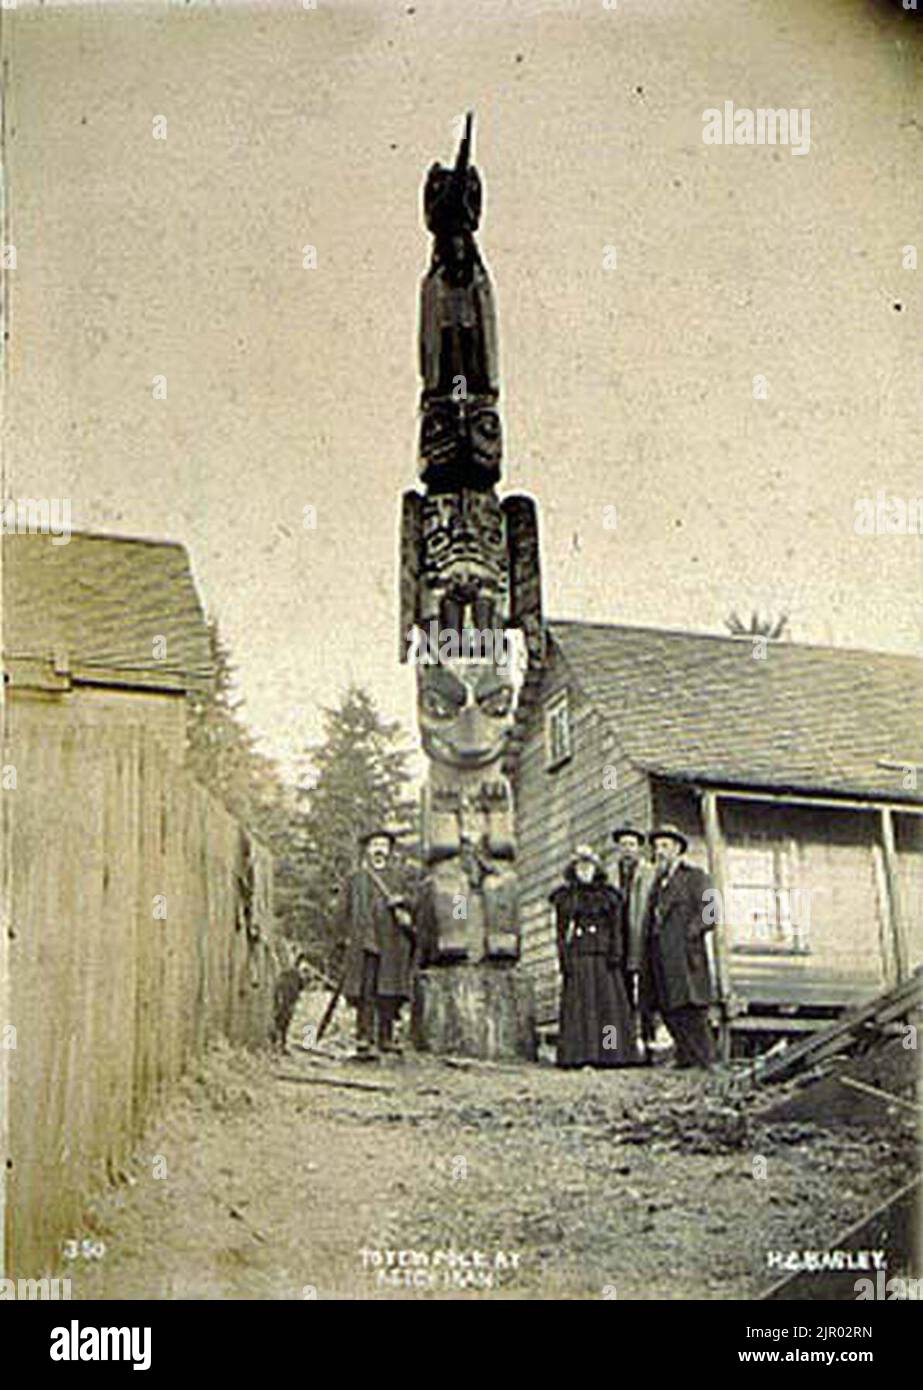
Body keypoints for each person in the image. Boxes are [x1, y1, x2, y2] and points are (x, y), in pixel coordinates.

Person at [550, 844, 633, 1069]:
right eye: (580, 866)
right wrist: (563, 959)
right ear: (573, 869)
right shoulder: (565, 897)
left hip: (604, 958)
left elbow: (617, 928)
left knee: (607, 1009)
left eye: (588, 866)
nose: (584, 871)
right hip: (578, 957)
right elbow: (560, 931)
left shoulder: (609, 896)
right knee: (580, 1010)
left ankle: (609, 1052)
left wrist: (616, 952)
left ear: (596, 869)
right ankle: (580, 1054)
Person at [640, 825, 716, 1070]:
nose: (659, 851)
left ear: (677, 849)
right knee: (668, 1008)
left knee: (691, 1010)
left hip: (685, 957)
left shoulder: (695, 877)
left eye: (665, 846)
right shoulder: (657, 884)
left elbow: (710, 912)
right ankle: (686, 1060)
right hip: (660, 958)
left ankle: (705, 1063)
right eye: (656, 847)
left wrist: (689, 935)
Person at [339, 828, 416, 1060]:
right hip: (366, 941)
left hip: (392, 941)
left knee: (389, 992)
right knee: (365, 990)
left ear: (390, 850)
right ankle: (364, 1038)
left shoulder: (400, 877)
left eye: (384, 845)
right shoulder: (355, 878)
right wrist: (342, 938)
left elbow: (418, 902)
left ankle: (386, 1038)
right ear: (368, 850)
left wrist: (403, 899)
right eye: (375, 845)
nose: (380, 849)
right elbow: (342, 910)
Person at [608, 824, 657, 1064]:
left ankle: (649, 1046)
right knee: (620, 993)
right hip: (618, 940)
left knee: (645, 994)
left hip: (641, 937)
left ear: (638, 848)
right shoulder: (610, 874)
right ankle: (623, 1047)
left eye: (631, 844)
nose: (627, 849)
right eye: (623, 845)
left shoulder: (648, 873)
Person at [271, 953, 312, 1054]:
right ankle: (277, 1044)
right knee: (281, 1019)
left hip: (289, 1000)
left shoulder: (295, 976)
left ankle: (281, 1044)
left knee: (285, 1020)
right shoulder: (290, 976)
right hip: (285, 999)